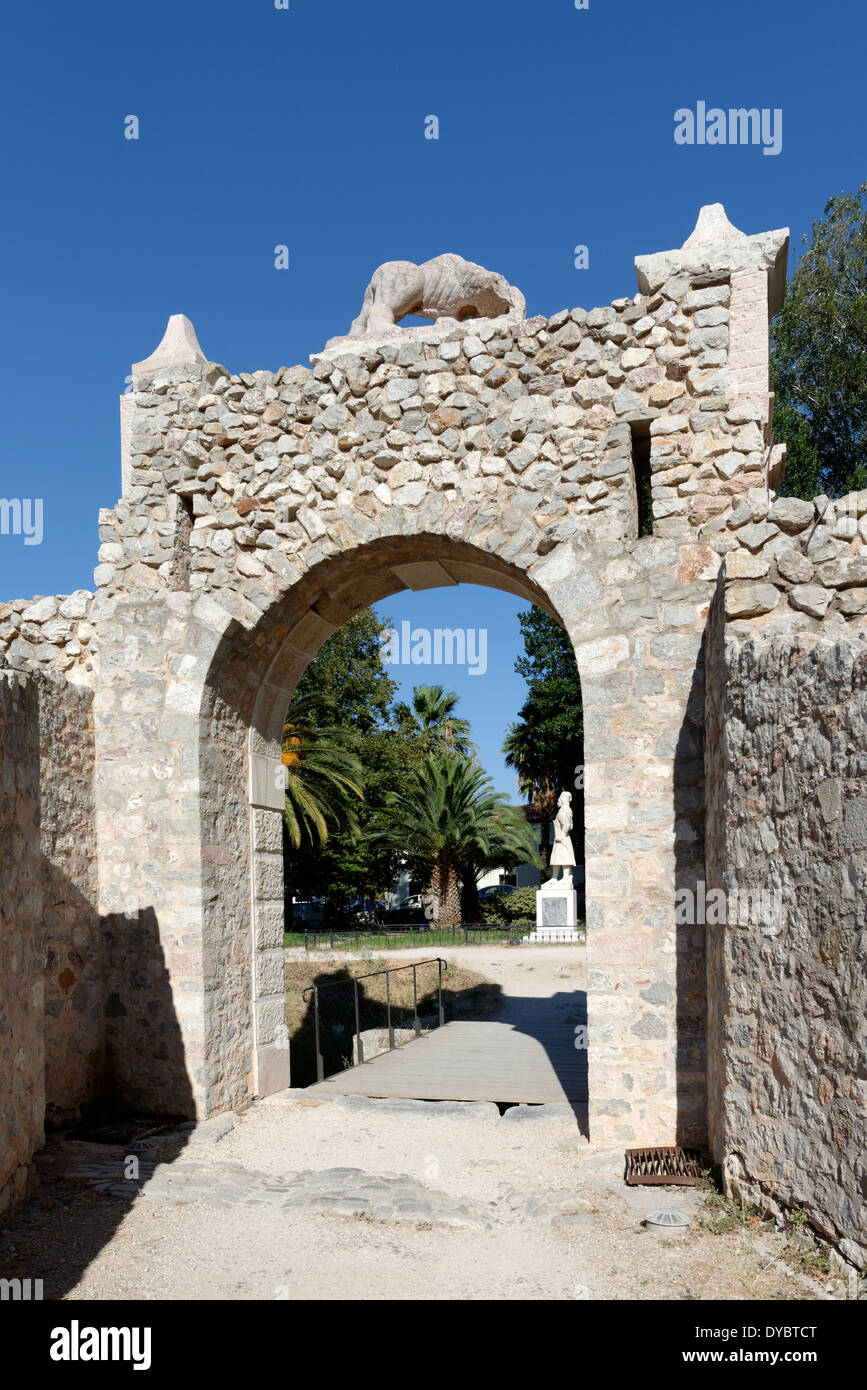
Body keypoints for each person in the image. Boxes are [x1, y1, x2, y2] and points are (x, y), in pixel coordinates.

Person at [549, 790, 576, 882]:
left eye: (559, 800)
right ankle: (554, 878)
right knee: (556, 858)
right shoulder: (563, 811)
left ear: (562, 800)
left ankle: (565, 877)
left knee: (565, 857)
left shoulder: (562, 812)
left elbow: (567, 825)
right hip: (560, 839)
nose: (558, 802)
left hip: (561, 839)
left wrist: (562, 836)